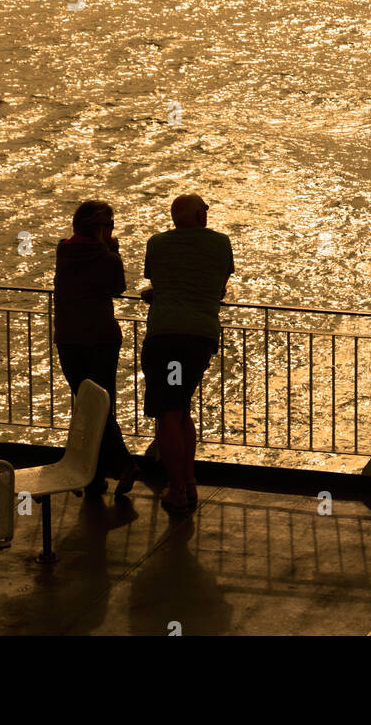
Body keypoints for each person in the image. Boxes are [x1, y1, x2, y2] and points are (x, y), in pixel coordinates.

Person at [140, 193, 234, 513]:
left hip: (166, 337)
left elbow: (160, 284)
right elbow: (218, 289)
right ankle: (188, 483)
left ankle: (177, 490)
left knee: (168, 411)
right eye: (205, 209)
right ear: (199, 215)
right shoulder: (221, 244)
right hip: (200, 338)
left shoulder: (157, 244)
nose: (207, 213)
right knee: (180, 409)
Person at [53, 200, 140, 496]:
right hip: (100, 338)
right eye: (110, 225)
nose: (113, 230)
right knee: (102, 405)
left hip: (68, 337)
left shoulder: (63, 250)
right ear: (99, 228)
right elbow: (117, 287)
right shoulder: (106, 258)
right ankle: (124, 464)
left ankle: (94, 474)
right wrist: (113, 250)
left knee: (87, 405)